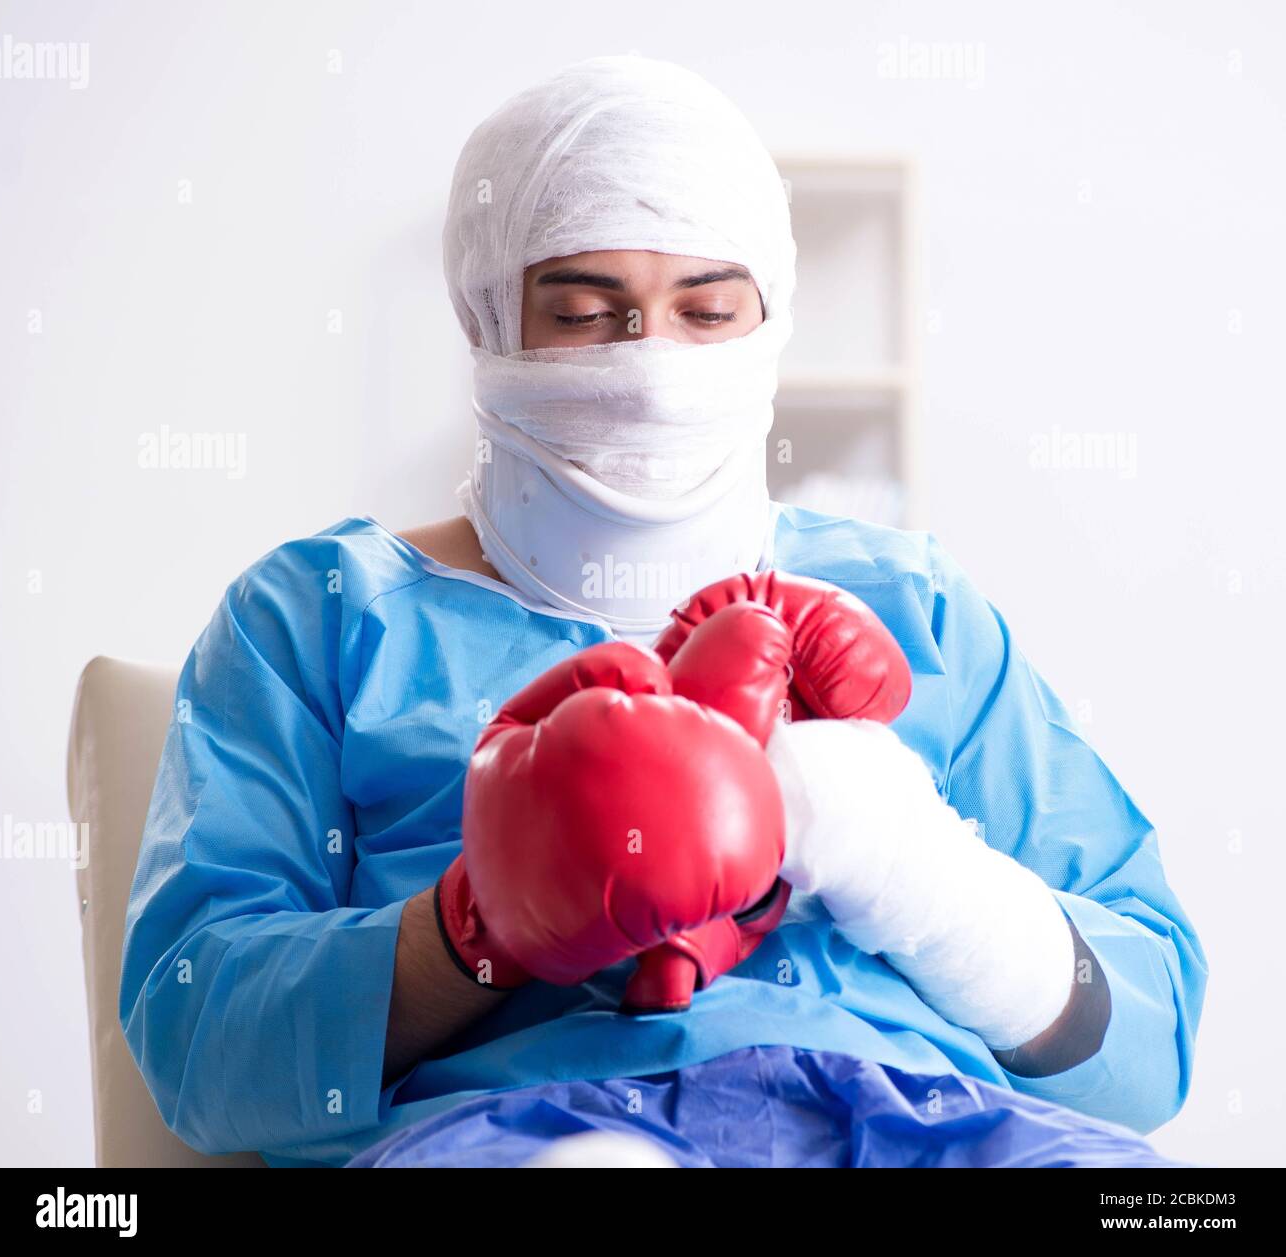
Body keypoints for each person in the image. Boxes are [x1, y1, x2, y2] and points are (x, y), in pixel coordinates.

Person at [119, 55, 1207, 1169]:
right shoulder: (322, 617)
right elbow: (197, 1042)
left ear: (767, 319)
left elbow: (1144, 1049)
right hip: (520, 1130)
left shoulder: (914, 609)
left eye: (708, 309)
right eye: (587, 313)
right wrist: (475, 931)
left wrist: (919, 872)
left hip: (933, 1129)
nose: (651, 367)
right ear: (489, 320)